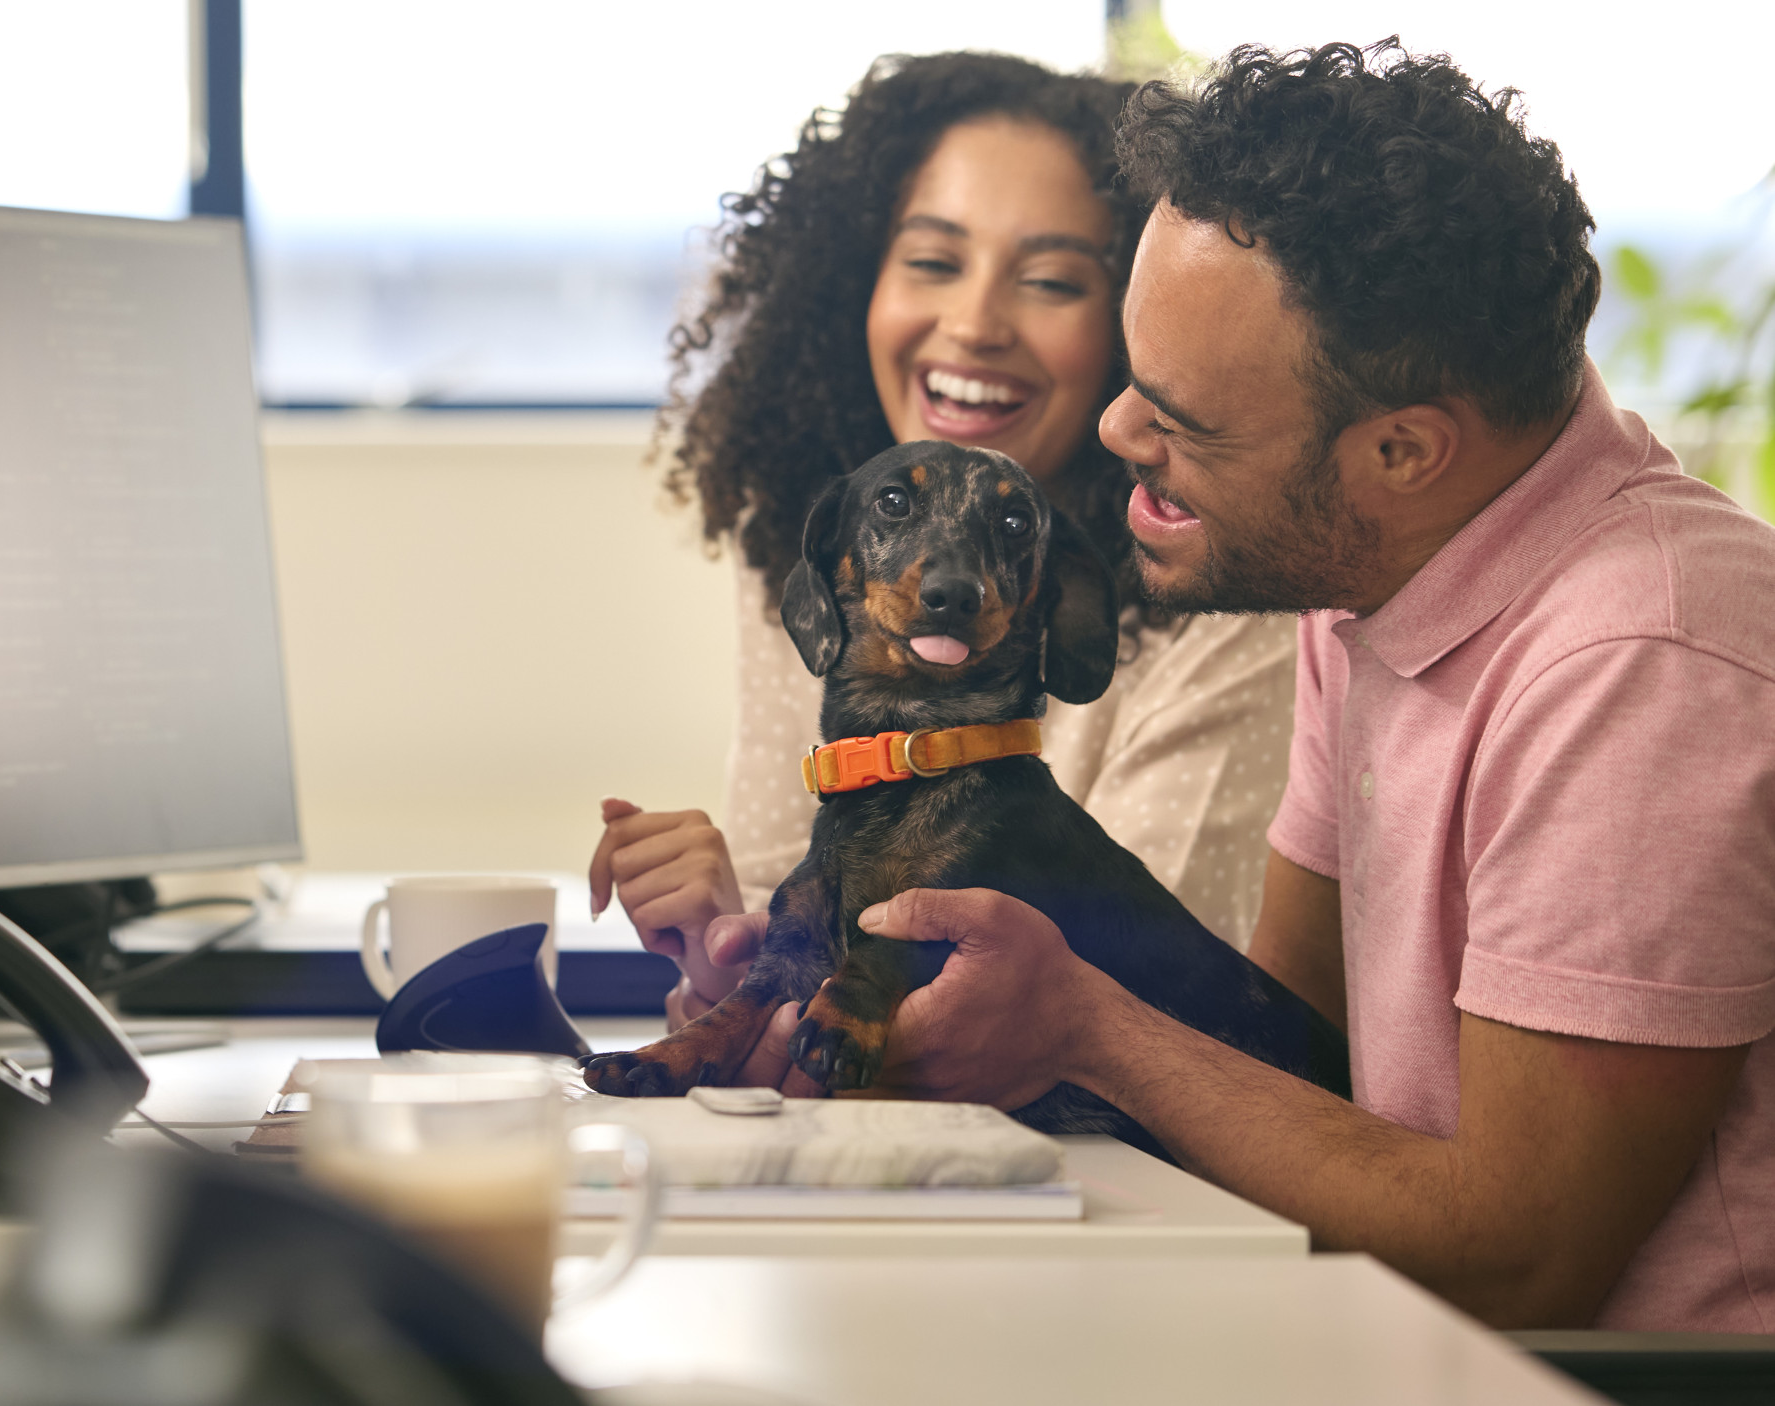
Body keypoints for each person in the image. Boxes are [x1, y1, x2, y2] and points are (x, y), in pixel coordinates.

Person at [723, 41, 1775, 1332]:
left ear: (1401, 451)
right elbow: (1287, 1069)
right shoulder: (1372, 577)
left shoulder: (1641, 666)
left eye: (1181, 417)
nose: (1114, 430)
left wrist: (1088, 1026)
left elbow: (1519, 1263)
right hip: (1378, 1320)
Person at [589, 53, 1301, 1032]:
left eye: (1049, 280)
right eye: (931, 263)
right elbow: (799, 959)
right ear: (855, 289)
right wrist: (718, 941)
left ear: (1136, 327)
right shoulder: (831, 575)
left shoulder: (1229, 609)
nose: (972, 326)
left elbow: (1123, 1013)